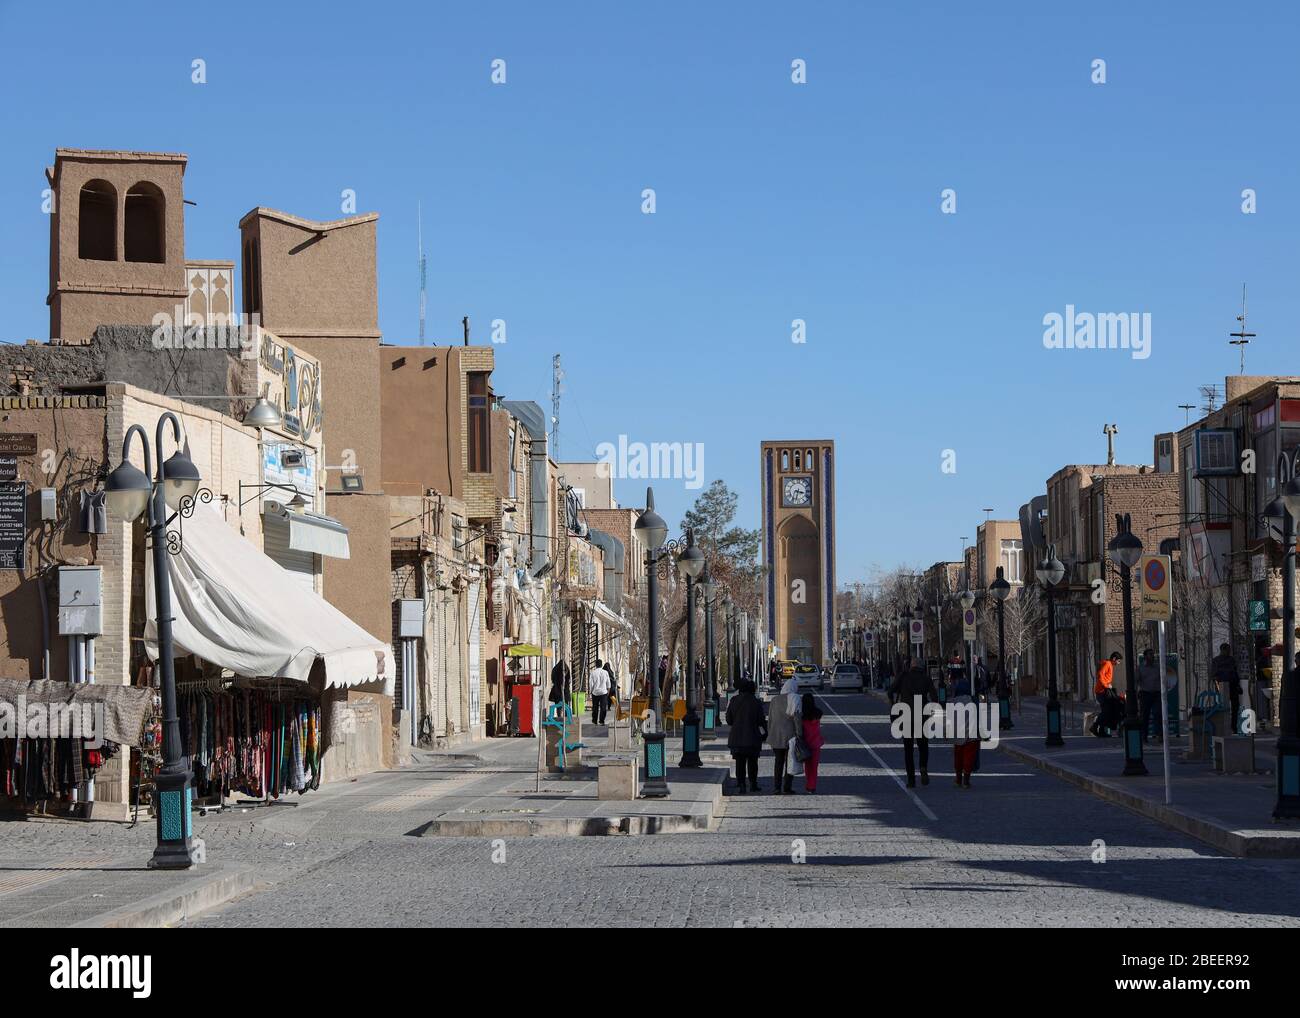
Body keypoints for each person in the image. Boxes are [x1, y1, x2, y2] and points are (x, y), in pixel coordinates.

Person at [889, 659, 936, 788]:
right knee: (923, 746)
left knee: (908, 750)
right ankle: (923, 767)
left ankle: (911, 780)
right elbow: (935, 697)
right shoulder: (926, 679)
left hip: (906, 716)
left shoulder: (904, 677)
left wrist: (893, 704)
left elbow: (890, 691)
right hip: (922, 716)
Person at [726, 678, 766, 794]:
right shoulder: (756, 702)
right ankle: (753, 784)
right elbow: (761, 720)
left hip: (737, 737)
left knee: (740, 763)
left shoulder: (734, 700)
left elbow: (729, 720)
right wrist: (765, 733)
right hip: (753, 737)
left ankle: (742, 784)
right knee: (753, 763)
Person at [767, 678, 801, 794]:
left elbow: (770, 718)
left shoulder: (774, 700)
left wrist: (769, 732)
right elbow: (797, 719)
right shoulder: (795, 699)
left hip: (776, 735)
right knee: (790, 762)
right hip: (790, 735)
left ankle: (776, 787)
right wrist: (800, 734)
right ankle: (787, 787)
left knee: (778, 762)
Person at [950, 679, 979, 788]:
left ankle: (958, 779)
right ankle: (966, 780)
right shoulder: (973, 700)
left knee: (958, 757)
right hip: (971, 734)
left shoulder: (953, 702)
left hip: (958, 734)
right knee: (969, 757)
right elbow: (978, 717)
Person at [1090, 652, 1121, 737]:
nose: (1119, 663)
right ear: (1114, 659)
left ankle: (1101, 731)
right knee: (1106, 711)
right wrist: (1106, 685)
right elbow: (1100, 674)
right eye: (1118, 661)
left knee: (1106, 711)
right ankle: (1095, 726)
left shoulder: (1109, 664)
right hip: (1101, 691)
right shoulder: (1108, 664)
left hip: (1103, 691)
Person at [800, 692, 825, 794]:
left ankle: (808, 784)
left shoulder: (802, 715)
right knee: (814, 766)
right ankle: (812, 785)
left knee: (807, 766)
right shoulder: (817, 714)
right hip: (815, 743)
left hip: (805, 743)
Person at [1211, 643, 1241, 724]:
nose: (1228, 652)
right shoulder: (1216, 660)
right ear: (1222, 650)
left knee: (1235, 706)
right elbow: (1214, 675)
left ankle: (1233, 725)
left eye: (1229, 650)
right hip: (1222, 686)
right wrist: (1217, 686)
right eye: (1227, 650)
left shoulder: (1231, 660)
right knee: (1223, 706)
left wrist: (1238, 685)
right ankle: (1224, 724)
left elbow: (1235, 673)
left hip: (1232, 685)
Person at [1137, 649, 1163, 743]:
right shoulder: (1141, 668)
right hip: (1145, 693)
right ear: (1145, 657)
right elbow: (1137, 680)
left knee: (1158, 713)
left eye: (1153, 655)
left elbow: (1163, 679)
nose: (1152, 657)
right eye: (1150, 655)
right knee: (1144, 716)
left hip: (1156, 693)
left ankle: (1160, 735)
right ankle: (1144, 736)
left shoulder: (1158, 667)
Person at [588, 658, 612, 726]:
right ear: (601, 665)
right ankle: (601, 721)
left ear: (596, 665)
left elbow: (591, 684)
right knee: (603, 707)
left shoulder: (593, 673)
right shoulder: (605, 672)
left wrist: (591, 692)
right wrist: (608, 691)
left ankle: (594, 720)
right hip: (603, 693)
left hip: (595, 693)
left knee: (595, 707)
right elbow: (608, 683)